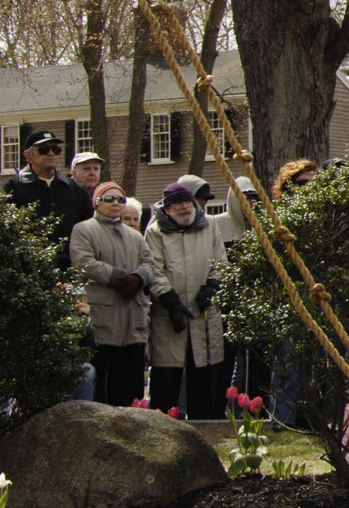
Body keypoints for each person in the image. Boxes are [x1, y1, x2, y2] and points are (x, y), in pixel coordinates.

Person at [145, 180, 230, 418]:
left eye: (186, 201)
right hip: (169, 312)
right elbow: (153, 268)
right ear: (167, 208)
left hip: (204, 311)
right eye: (177, 204)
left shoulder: (209, 226)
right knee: (167, 374)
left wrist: (212, 287)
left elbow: (220, 261)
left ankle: (204, 423)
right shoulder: (154, 232)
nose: (184, 207)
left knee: (204, 372)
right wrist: (169, 300)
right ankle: (163, 425)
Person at [69, 181, 153, 406]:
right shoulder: (84, 230)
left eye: (120, 199)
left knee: (130, 386)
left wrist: (138, 278)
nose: (116, 203)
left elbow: (150, 263)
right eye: (109, 198)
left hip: (133, 321)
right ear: (96, 203)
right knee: (102, 384)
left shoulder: (135, 236)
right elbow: (83, 262)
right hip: (102, 320)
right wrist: (117, 277)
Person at [5, 129, 93, 266]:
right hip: (28, 270)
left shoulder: (76, 189)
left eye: (55, 149)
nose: (51, 153)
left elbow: (89, 227)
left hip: (70, 268)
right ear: (28, 156)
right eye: (43, 149)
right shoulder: (11, 189)